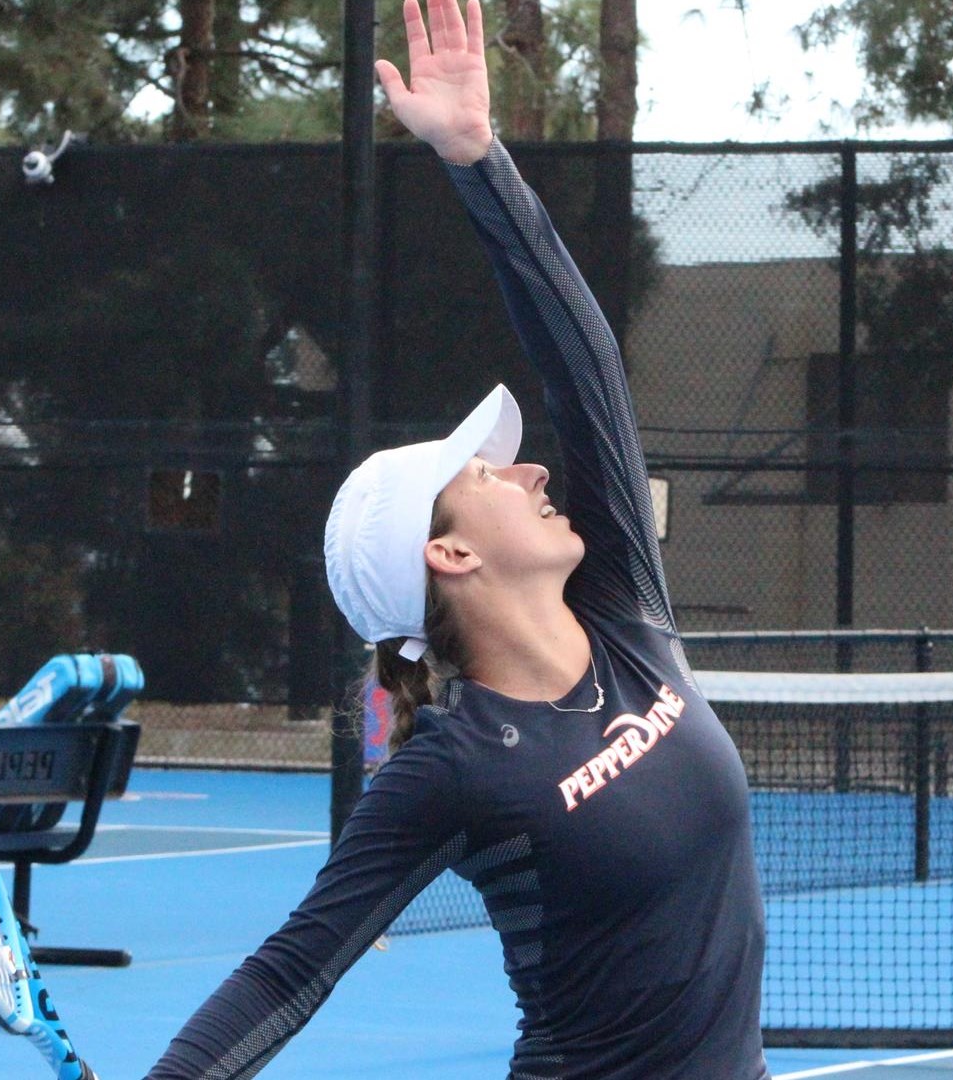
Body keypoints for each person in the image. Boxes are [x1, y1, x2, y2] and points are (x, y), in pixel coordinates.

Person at [145, 0, 768, 1075]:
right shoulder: (454, 765)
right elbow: (292, 970)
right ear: (451, 555)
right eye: (488, 475)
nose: (533, 472)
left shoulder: (625, 613)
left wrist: (480, 162)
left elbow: (588, 371)